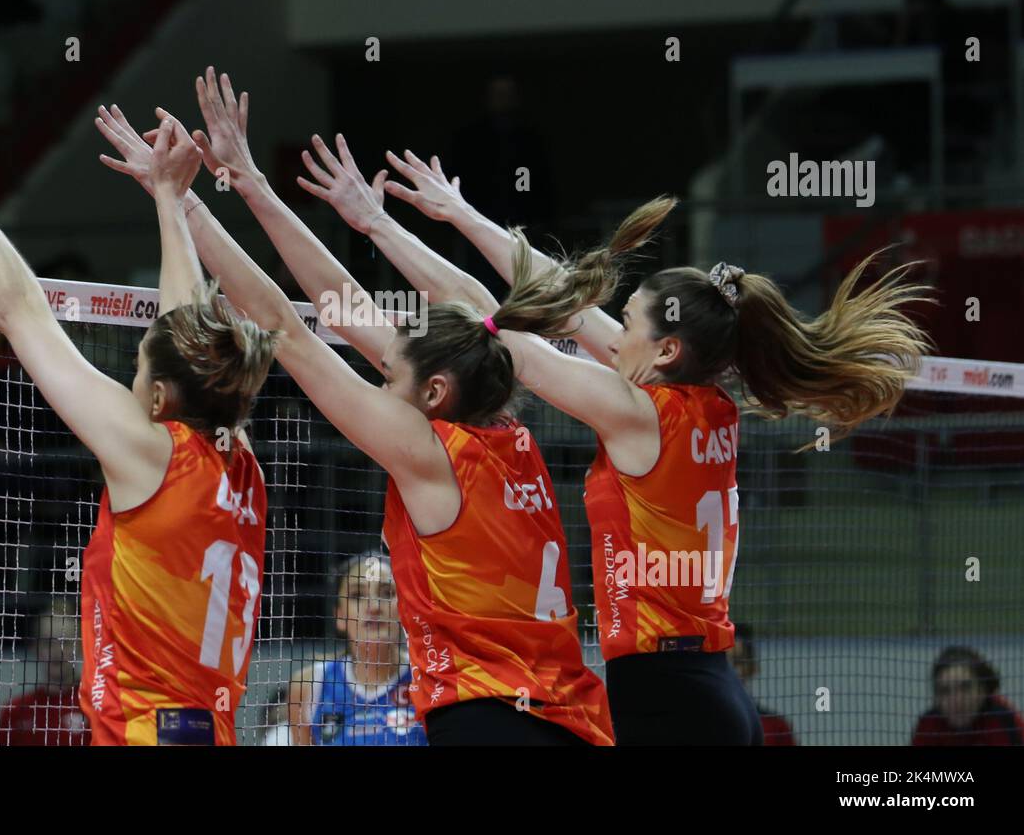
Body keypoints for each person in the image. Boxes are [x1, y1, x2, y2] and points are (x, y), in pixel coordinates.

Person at [92, 69, 614, 746]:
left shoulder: (432, 454)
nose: (379, 370)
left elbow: (289, 329)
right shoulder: (510, 432)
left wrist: (182, 201)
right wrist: (245, 181)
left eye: (388, 371)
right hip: (574, 717)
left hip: (490, 717)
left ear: (432, 395)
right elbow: (347, 306)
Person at [366, 148, 932, 744]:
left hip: (668, 697)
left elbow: (493, 321)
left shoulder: (642, 416)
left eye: (628, 321)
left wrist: (380, 225)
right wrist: (461, 214)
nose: (612, 331)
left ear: (665, 351)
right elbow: (568, 302)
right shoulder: (709, 406)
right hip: (711, 687)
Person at [0, 92, 275, 746]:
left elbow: (22, 313)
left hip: (148, 734)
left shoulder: (149, 453)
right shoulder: (238, 455)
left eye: (135, 366)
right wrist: (167, 199)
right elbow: (183, 328)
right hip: (204, 730)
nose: (130, 375)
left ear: (159, 399)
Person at [288, 552, 424, 746]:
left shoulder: (427, 679)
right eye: (358, 595)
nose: (374, 607)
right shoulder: (309, 685)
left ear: (404, 608)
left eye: (387, 593)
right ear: (340, 616)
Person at [0, 603, 91, 746]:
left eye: (66, 642)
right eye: (48, 642)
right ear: (35, 647)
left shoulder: (95, 708)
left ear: (81, 647)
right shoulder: (15, 711)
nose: (57, 651)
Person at [912, 646, 1023, 745]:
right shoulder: (928, 726)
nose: (956, 700)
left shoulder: (1003, 720)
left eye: (965, 688)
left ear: (983, 689)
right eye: (945, 691)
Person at [728, 625, 796, 745]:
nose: (729, 670)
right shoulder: (700, 726)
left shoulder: (775, 727)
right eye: (723, 661)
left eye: (737, 661)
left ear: (753, 668)